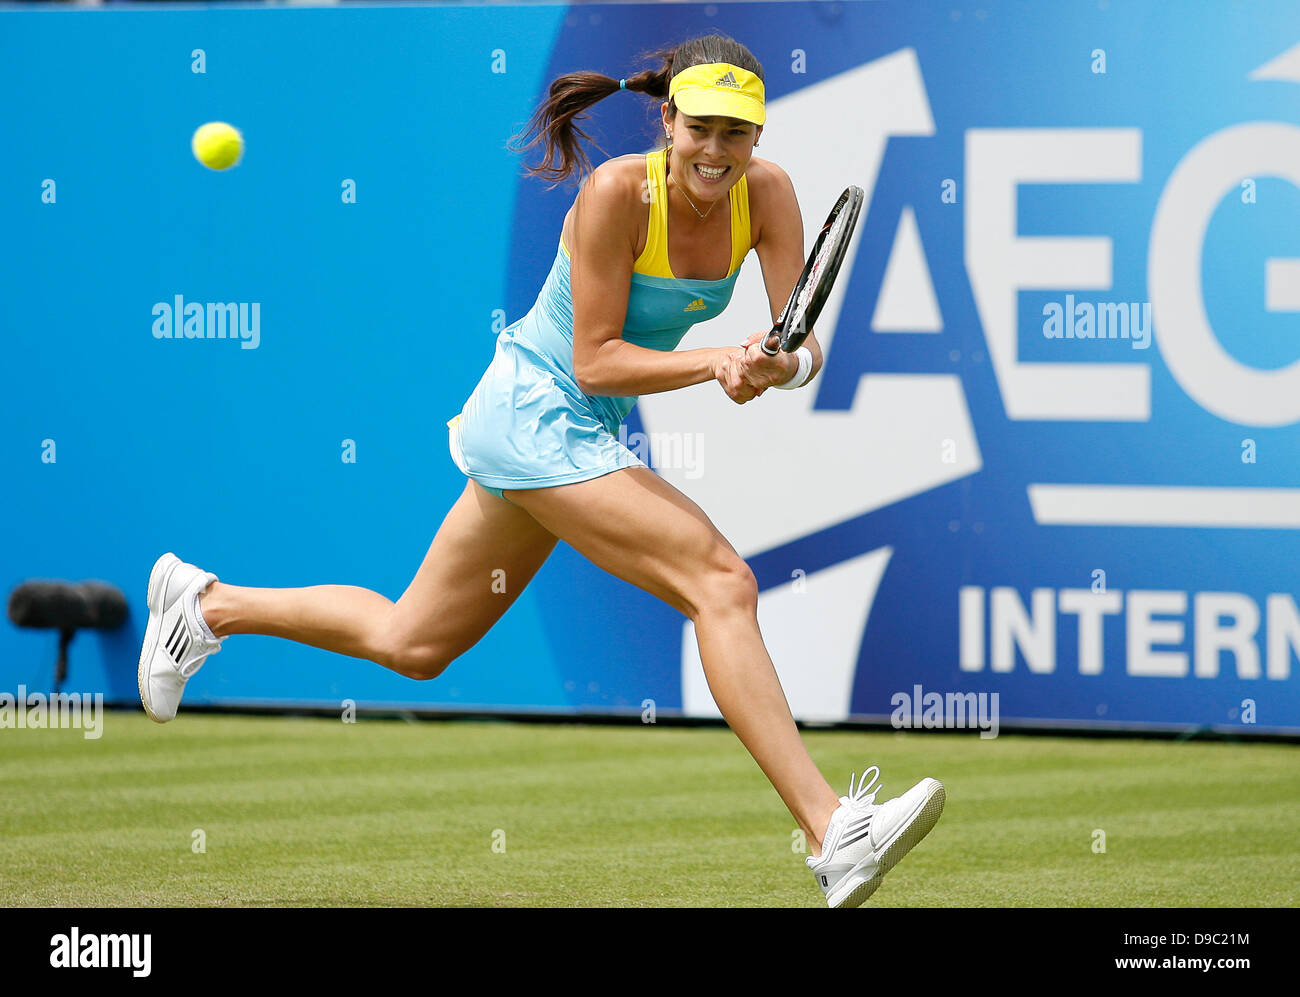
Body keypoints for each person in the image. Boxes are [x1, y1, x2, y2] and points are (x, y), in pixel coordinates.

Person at [137, 32, 945, 908]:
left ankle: (205, 605)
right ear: (667, 119)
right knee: (722, 582)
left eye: (736, 133)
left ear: (758, 135)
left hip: (576, 429)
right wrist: (717, 358)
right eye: (701, 127)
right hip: (533, 410)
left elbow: (803, 344)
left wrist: (771, 365)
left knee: (416, 642)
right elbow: (594, 359)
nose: (716, 151)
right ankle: (833, 832)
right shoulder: (614, 194)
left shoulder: (772, 194)